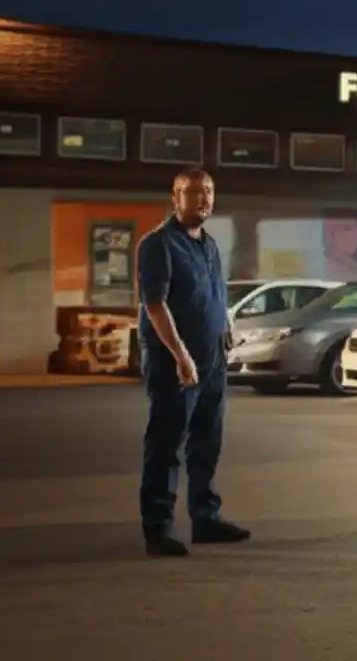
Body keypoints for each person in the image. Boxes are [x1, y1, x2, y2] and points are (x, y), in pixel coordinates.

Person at [136, 166, 250, 557]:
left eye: (209, 192)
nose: (204, 199)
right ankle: (158, 528)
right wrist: (180, 355)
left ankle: (206, 519)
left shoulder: (210, 245)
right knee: (167, 445)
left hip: (213, 359)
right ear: (176, 196)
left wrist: (227, 323)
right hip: (175, 364)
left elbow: (215, 294)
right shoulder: (158, 244)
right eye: (195, 192)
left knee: (207, 443)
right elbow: (155, 304)